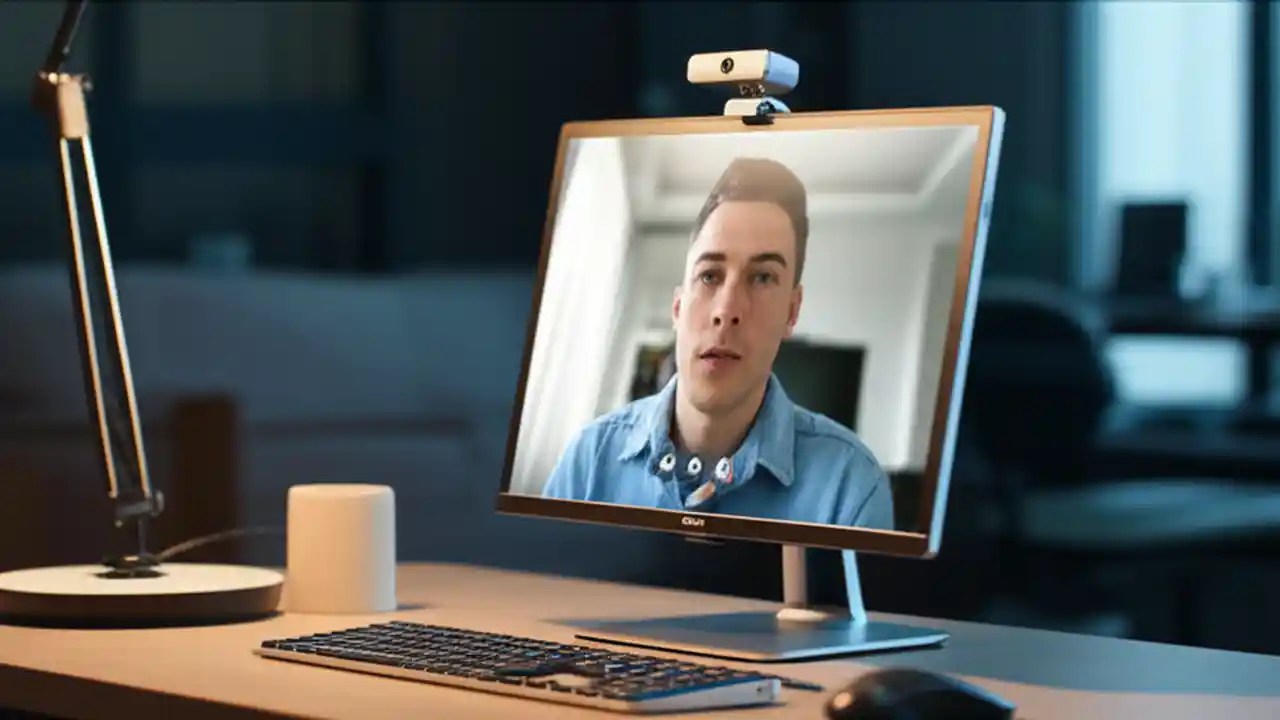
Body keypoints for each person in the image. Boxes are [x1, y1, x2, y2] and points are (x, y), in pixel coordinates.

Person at [541, 157, 893, 530]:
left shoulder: (852, 487)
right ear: (678, 307)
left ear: (792, 312)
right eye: (709, 275)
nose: (726, 310)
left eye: (762, 278)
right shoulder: (589, 459)